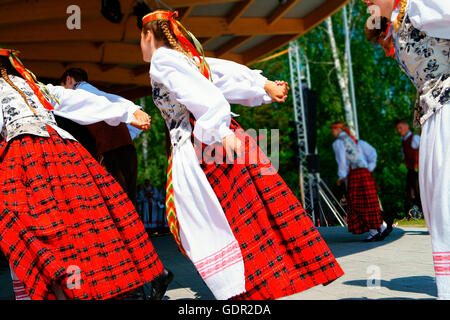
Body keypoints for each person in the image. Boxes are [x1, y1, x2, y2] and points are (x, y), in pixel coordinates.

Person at [139, 10, 344, 300]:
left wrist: (219, 131)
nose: (141, 46)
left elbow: (206, 94)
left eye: (141, 38)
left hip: (205, 141)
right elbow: (220, 73)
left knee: (212, 220)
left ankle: (239, 288)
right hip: (216, 135)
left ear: (148, 35)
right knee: (244, 215)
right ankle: (255, 285)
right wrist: (263, 86)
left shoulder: (163, 59)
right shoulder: (187, 58)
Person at [0, 47, 168, 300]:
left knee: (34, 229)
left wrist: (126, 111)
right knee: (89, 222)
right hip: (67, 155)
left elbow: (79, 97)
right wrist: (127, 111)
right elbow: (76, 99)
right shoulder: (37, 87)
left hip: (26, 158)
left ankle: (62, 289)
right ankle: (117, 286)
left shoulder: (35, 87)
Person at [362, 0, 450, 299]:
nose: (364, 1)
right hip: (435, 112)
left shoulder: (420, 6)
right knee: (439, 203)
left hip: (448, 108)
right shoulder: (402, 19)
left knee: (445, 201)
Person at [59, 68, 141, 206]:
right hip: (125, 147)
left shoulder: (82, 91)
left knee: (118, 198)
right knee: (128, 198)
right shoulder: (90, 92)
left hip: (113, 150)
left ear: (69, 79)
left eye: (62, 88)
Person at [330, 122, 390, 242]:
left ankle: (375, 231)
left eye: (333, 129)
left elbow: (342, 161)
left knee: (358, 204)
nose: (332, 132)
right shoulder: (357, 142)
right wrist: (368, 169)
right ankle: (381, 228)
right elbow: (373, 153)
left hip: (354, 175)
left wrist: (341, 176)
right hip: (365, 173)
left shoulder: (338, 143)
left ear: (338, 129)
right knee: (369, 203)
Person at [394, 118, 422, 217]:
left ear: (407, 127)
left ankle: (426, 214)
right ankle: (414, 215)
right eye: (397, 128)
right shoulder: (403, 141)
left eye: (400, 128)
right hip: (411, 171)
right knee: (409, 194)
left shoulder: (415, 138)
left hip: (419, 172)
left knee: (419, 194)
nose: (399, 131)